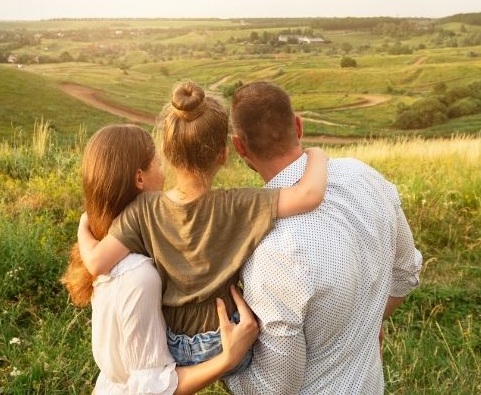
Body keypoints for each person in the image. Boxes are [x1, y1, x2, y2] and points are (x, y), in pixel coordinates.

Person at [78, 81, 329, 374]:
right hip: (224, 339)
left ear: (168, 154)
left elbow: (96, 262)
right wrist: (317, 154)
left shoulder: (143, 209)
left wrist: (84, 225)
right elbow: (309, 195)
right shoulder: (238, 203)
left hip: (173, 344)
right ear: (222, 155)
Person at [224, 81, 423, 394]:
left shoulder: (272, 247)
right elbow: (406, 271)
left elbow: (276, 388)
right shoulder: (366, 177)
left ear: (240, 146)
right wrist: (365, 322)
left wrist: (228, 365)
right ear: (299, 126)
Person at [61, 124, 260, 394]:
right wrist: (229, 358)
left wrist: (82, 225)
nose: (164, 171)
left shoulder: (103, 245)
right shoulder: (138, 276)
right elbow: (153, 387)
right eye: (157, 163)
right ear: (140, 178)